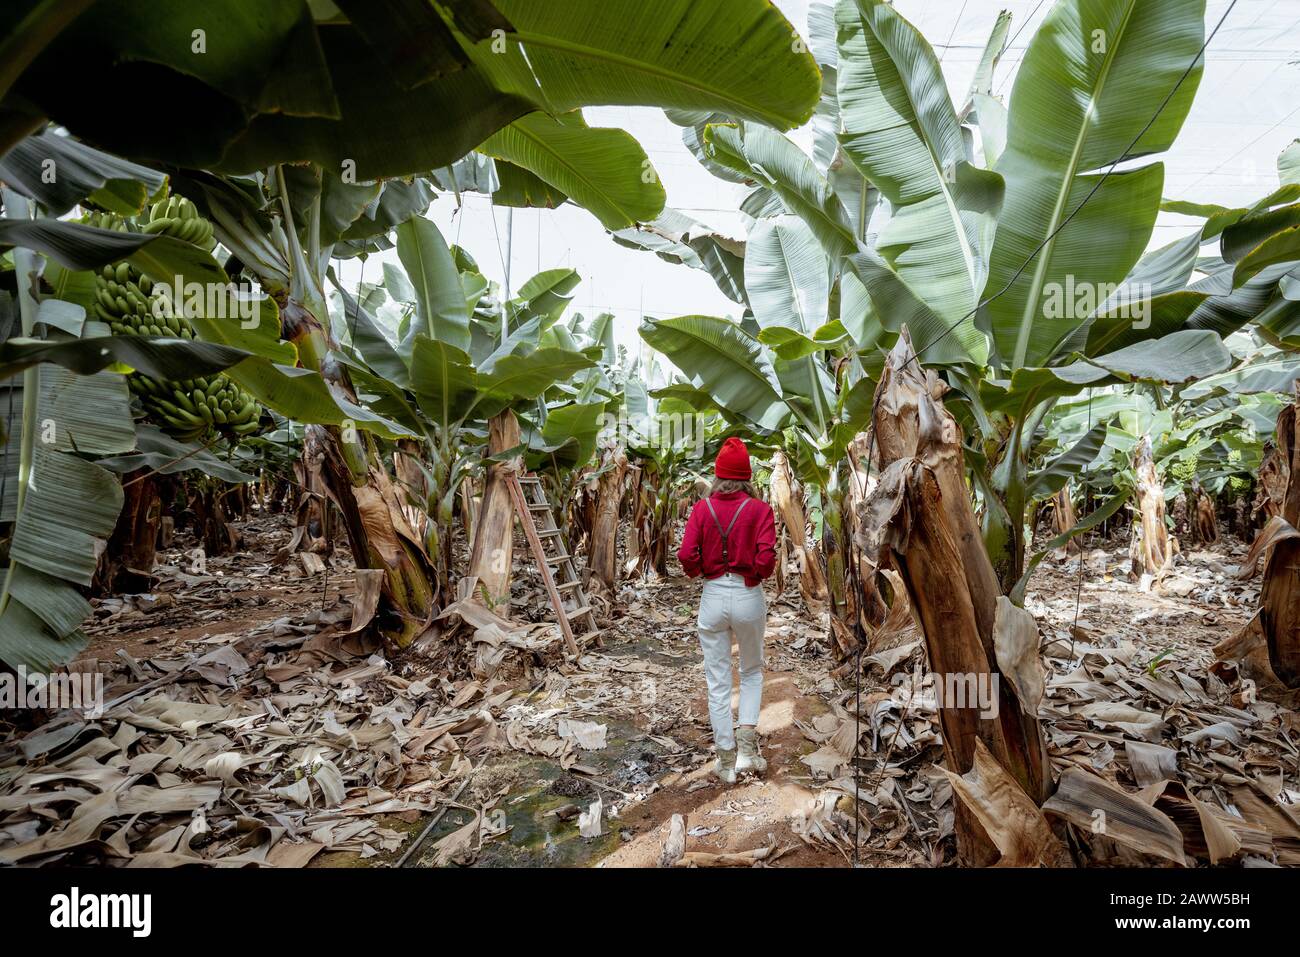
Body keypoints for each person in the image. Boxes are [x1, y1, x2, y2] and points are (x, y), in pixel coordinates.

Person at [677, 437, 777, 783]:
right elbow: (766, 560)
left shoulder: (702, 509)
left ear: (719, 476)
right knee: (751, 671)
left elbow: (686, 555)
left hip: (713, 595)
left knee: (717, 681)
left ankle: (724, 760)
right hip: (749, 595)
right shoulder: (760, 510)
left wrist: (702, 572)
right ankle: (747, 752)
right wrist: (754, 571)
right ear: (747, 476)